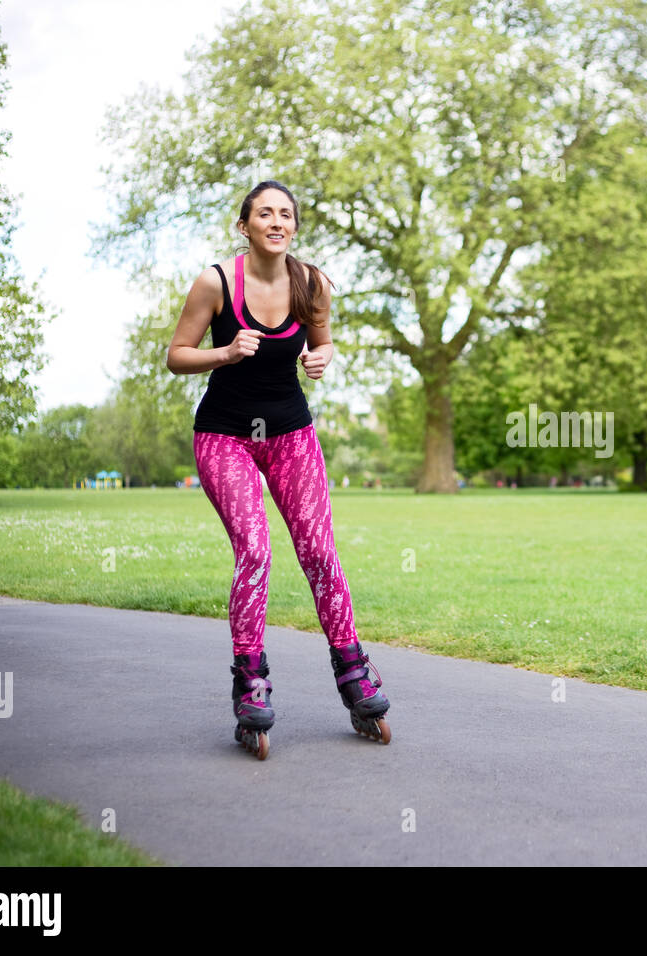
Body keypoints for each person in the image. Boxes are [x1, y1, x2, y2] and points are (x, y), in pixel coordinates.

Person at [166, 180, 391, 755]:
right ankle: (251, 682)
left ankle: (353, 671)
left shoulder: (311, 282)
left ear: (293, 227)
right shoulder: (215, 282)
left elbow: (324, 342)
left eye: (286, 214)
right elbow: (176, 355)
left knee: (319, 551)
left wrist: (321, 358)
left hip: (291, 435)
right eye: (264, 213)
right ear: (244, 226)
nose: (276, 221)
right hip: (224, 437)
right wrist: (224, 352)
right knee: (257, 551)